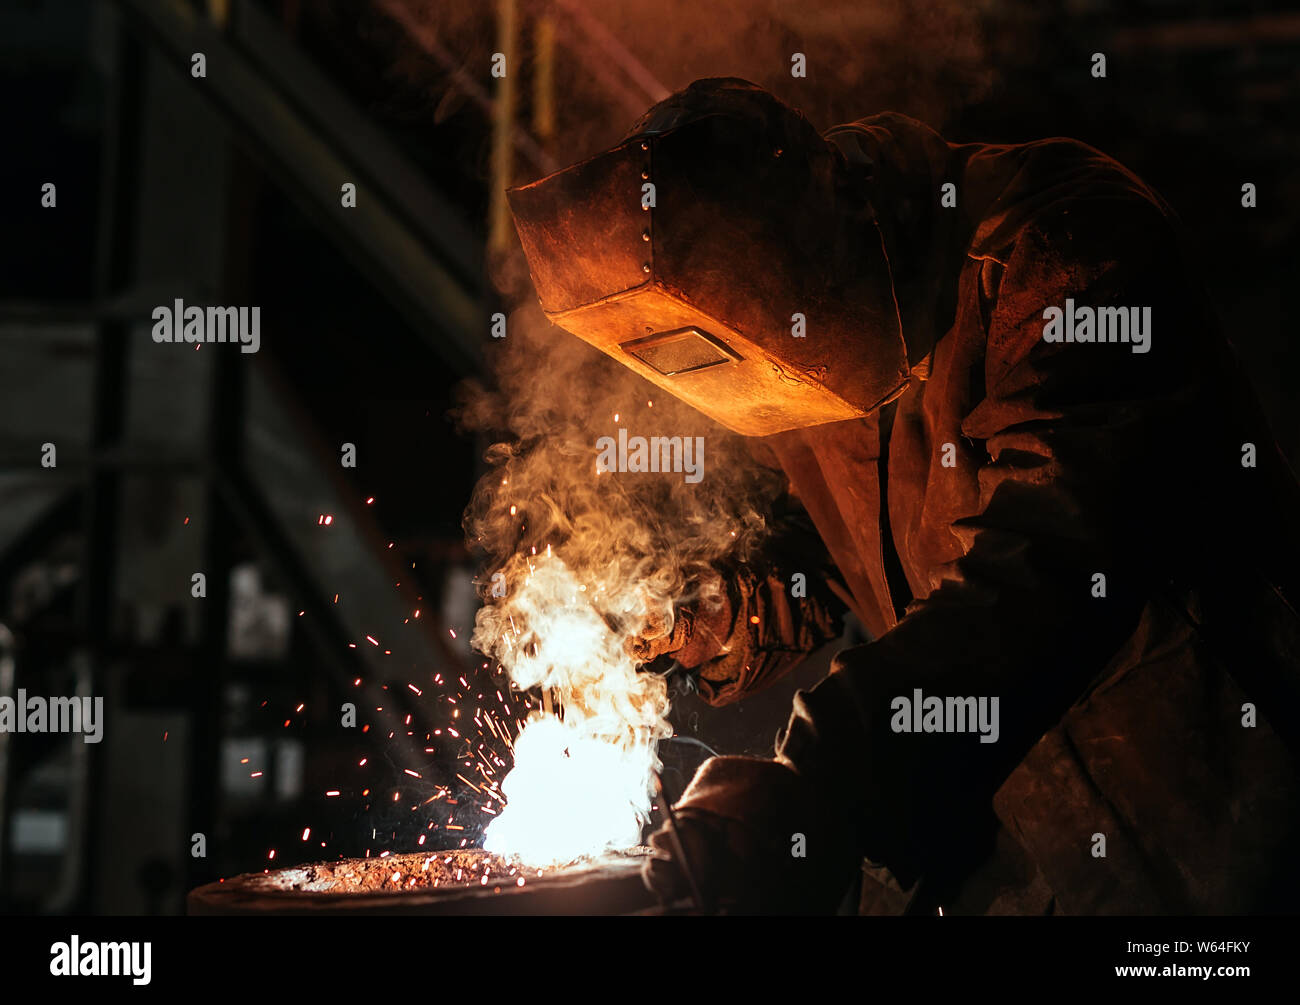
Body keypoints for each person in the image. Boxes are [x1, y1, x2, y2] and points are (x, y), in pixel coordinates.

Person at [508, 78, 1300, 914]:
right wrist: (708, 610)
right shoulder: (813, 315)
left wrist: (823, 775)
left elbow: (1053, 558)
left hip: (1212, 810)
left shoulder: (1061, 242)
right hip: (1020, 840)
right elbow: (833, 548)